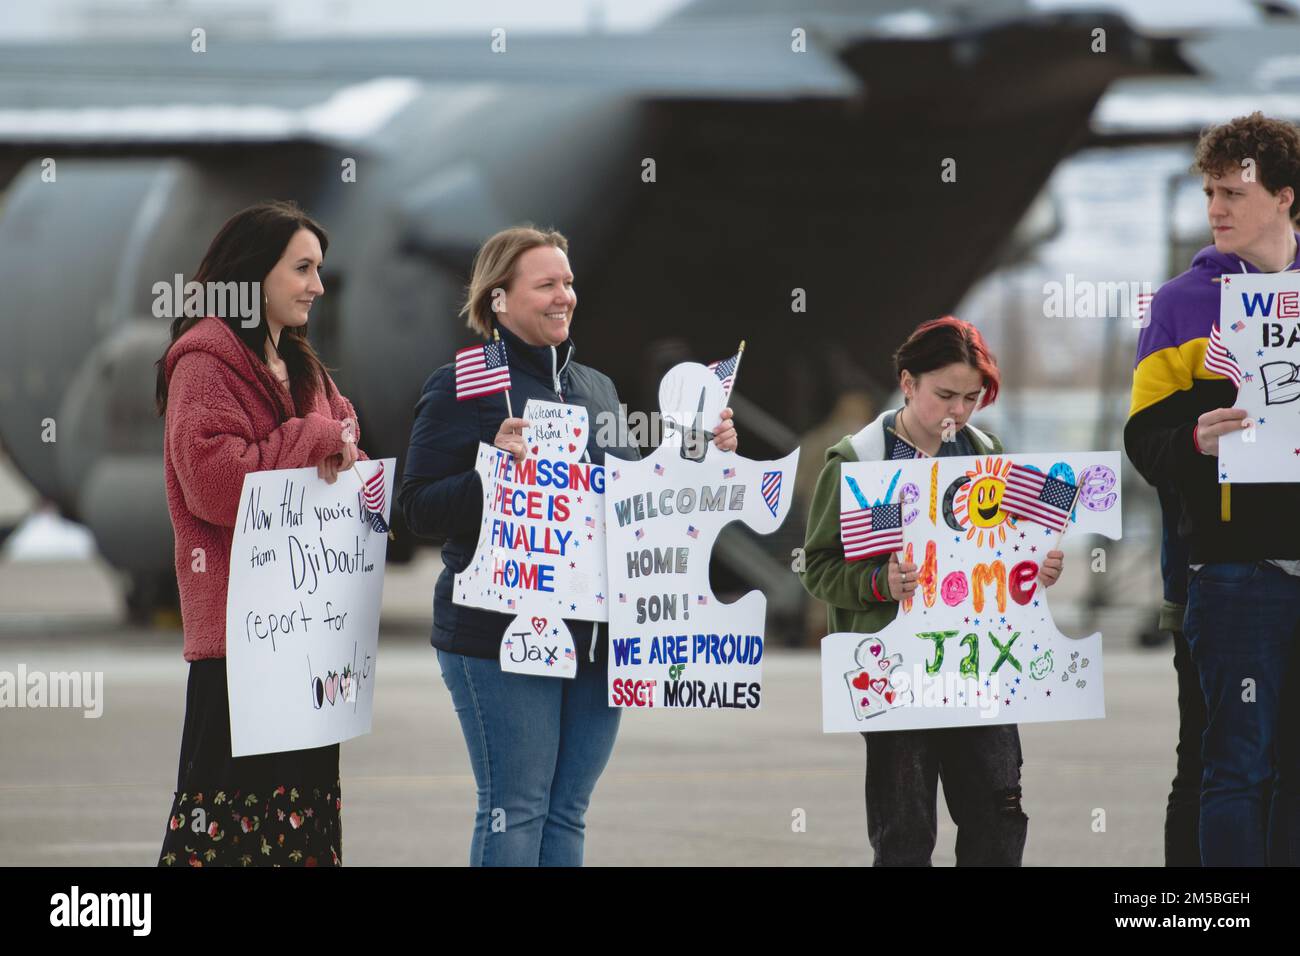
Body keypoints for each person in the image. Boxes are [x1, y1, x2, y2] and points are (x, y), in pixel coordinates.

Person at [397, 225, 736, 866]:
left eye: (569, 282)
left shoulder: (597, 388)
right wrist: (489, 473)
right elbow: (413, 508)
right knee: (515, 809)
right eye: (546, 284)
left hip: (597, 635)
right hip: (497, 634)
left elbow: (638, 499)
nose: (565, 296)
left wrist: (701, 456)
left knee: (567, 814)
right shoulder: (462, 383)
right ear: (498, 299)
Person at [800, 316, 1064, 866]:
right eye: (945, 394)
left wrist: (1034, 568)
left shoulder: (987, 451)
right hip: (897, 672)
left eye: (971, 397)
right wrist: (879, 581)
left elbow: (1008, 551)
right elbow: (817, 566)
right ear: (908, 382)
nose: (958, 410)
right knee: (905, 833)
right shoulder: (858, 460)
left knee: (998, 817)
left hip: (980, 668)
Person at [154, 200, 366, 867]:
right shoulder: (203, 364)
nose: (317, 285)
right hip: (239, 644)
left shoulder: (304, 367)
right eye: (302, 268)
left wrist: (330, 439)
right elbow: (215, 486)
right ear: (254, 274)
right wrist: (314, 437)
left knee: (300, 817)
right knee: (226, 820)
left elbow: (347, 433)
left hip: (308, 638)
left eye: (319, 269)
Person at [1124, 111, 1300, 866]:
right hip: (1232, 569)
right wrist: (1194, 441)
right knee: (1229, 766)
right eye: (1209, 192)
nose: (1217, 208)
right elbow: (1143, 441)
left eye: (1233, 192)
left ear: (1285, 196)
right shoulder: (1182, 304)